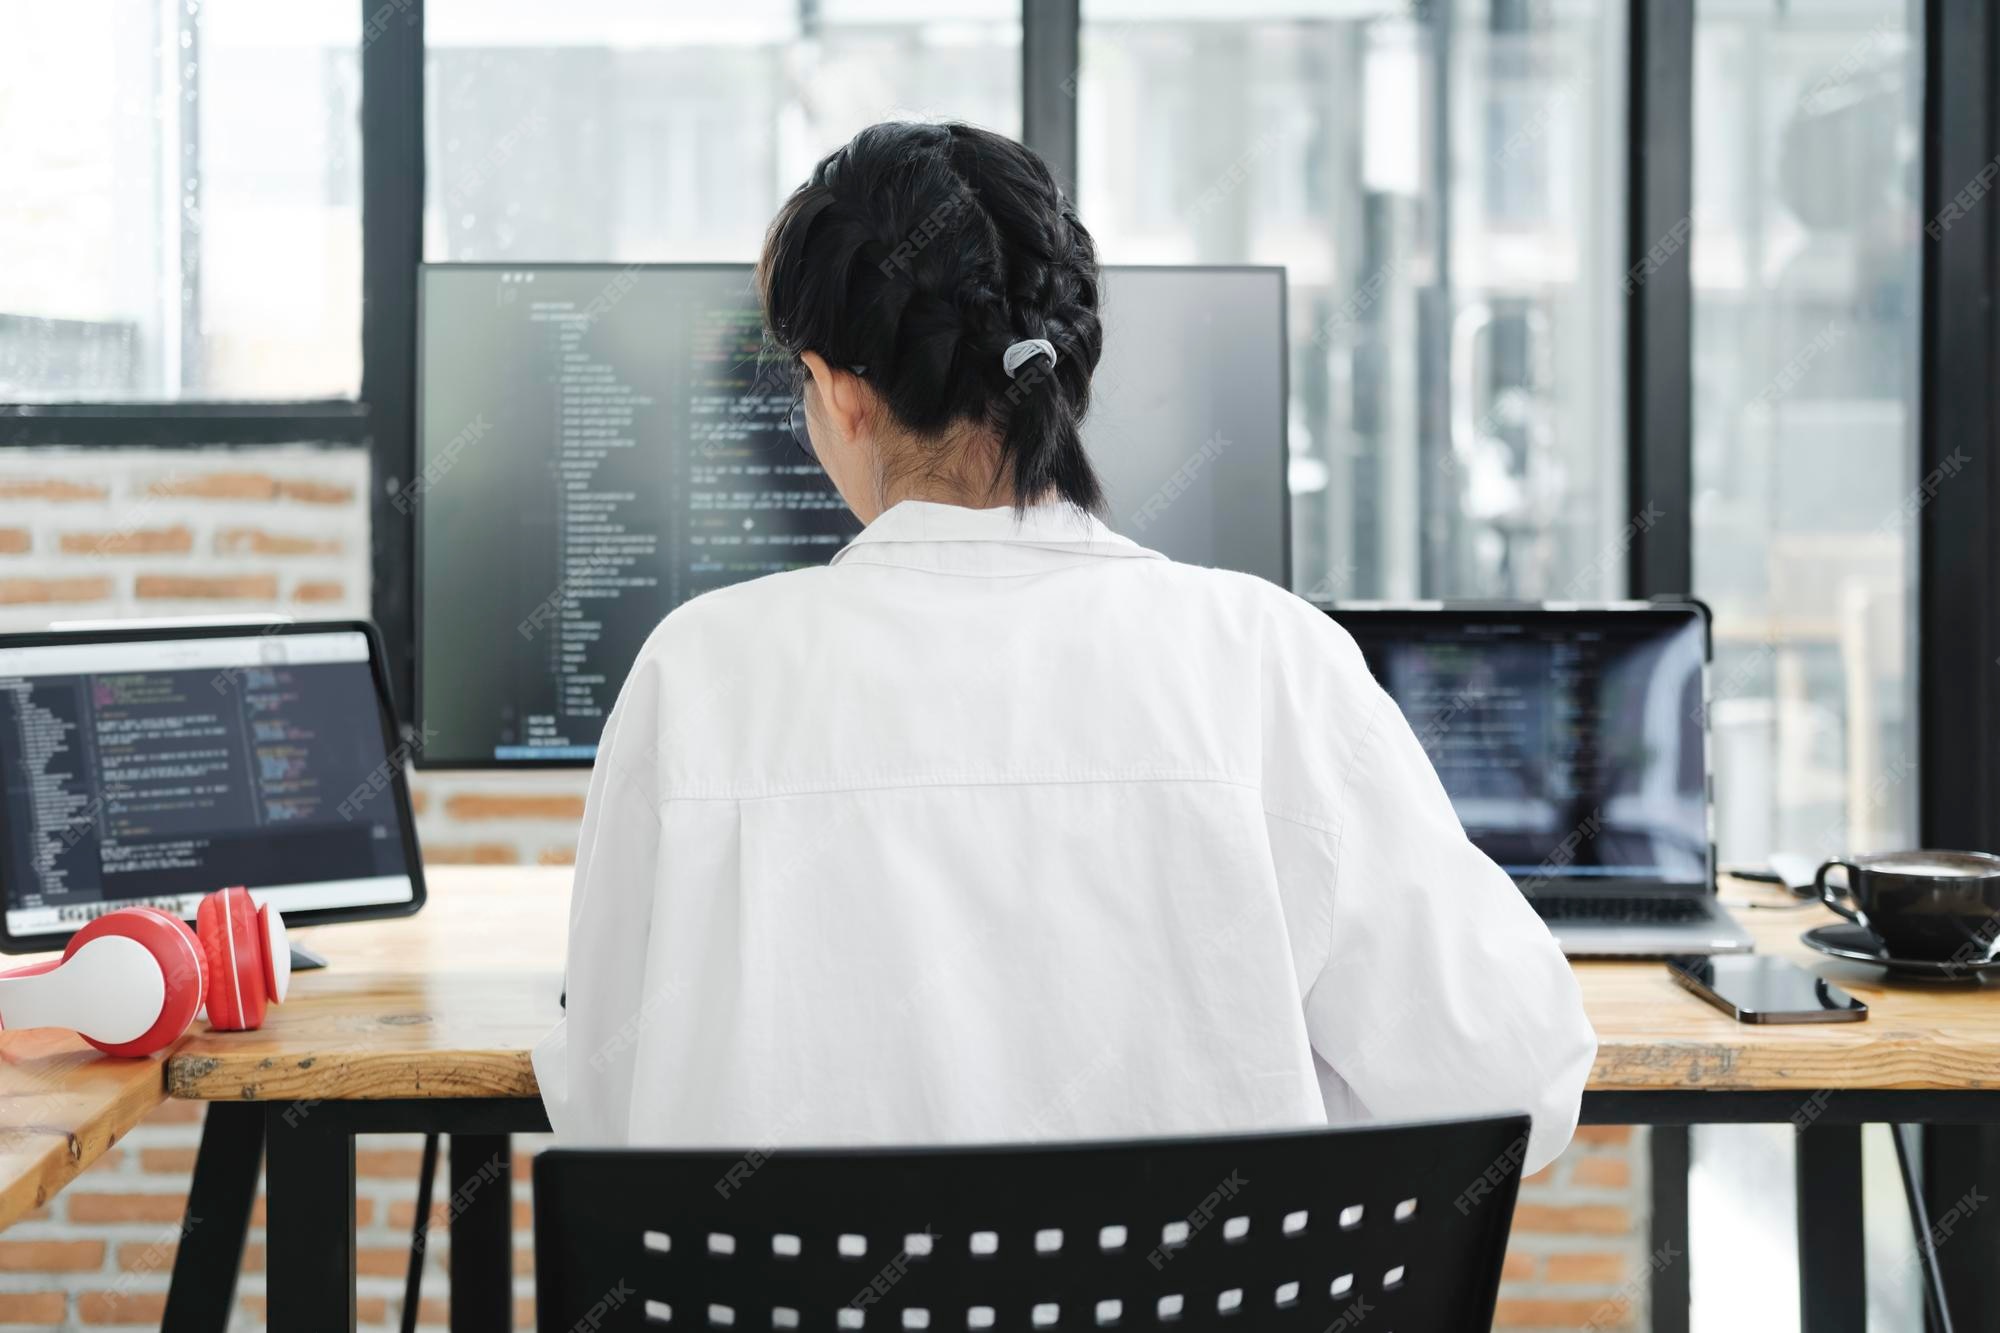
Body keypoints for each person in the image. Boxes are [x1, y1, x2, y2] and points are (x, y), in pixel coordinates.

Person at [533, 121, 1595, 1174]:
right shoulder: (1273, 662)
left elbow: (611, 1114)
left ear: (841, 389)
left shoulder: (692, 675)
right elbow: (1517, 1084)